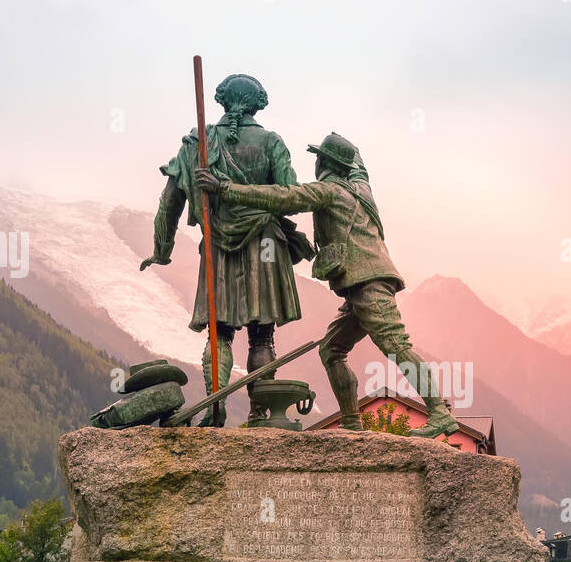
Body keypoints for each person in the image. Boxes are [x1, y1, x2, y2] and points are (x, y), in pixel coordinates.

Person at [194, 132, 458, 439]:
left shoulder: (328, 191)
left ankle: (439, 412)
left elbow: (281, 196)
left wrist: (224, 189)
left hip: (367, 283)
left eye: (318, 157)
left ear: (325, 162)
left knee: (397, 346)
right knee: (332, 350)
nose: (315, 161)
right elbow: (358, 163)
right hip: (360, 287)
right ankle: (351, 421)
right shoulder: (361, 187)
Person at [140, 73, 313, 425]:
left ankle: (215, 409)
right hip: (265, 244)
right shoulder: (270, 142)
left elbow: (168, 203)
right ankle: (260, 414)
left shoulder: (197, 144)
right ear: (256, 103)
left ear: (223, 101)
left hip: (218, 245)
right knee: (262, 332)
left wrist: (162, 249)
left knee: (218, 331)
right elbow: (291, 198)